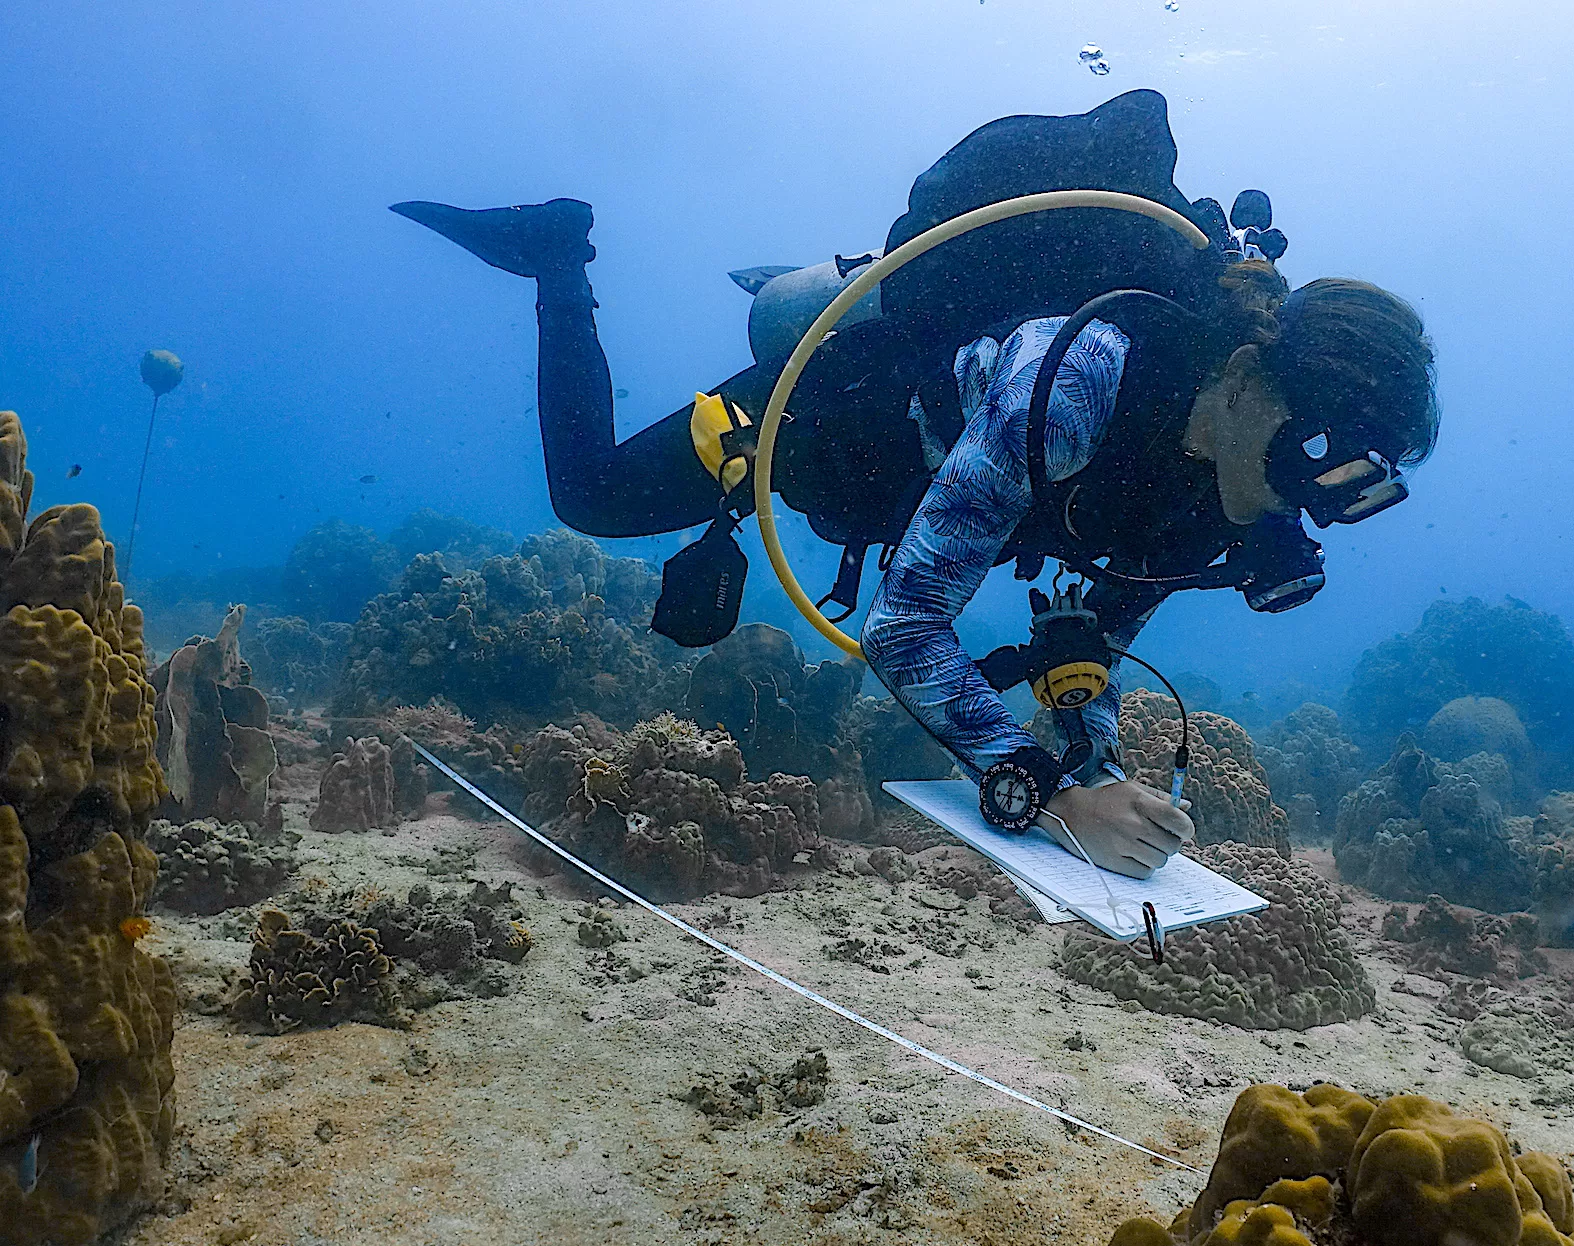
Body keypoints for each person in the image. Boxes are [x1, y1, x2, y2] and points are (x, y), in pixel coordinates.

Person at [394, 91, 1437, 880]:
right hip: (841, 428)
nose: (1292, 509)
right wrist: (1050, 794)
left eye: (1332, 494)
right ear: (1249, 378)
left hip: (935, 479)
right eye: (1303, 463)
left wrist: (1096, 763)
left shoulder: (1220, 499)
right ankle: (558, 260)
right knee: (590, 497)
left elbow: (1089, 638)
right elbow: (904, 625)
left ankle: (788, 279)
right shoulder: (1074, 381)